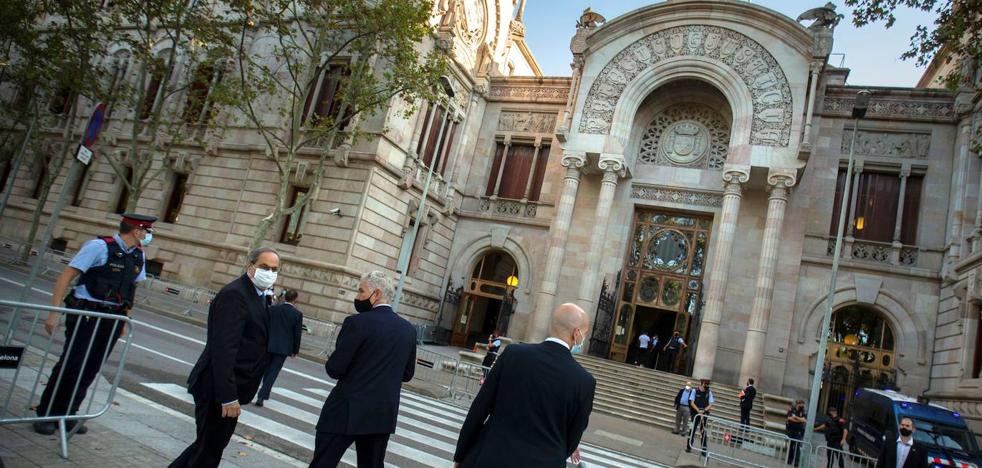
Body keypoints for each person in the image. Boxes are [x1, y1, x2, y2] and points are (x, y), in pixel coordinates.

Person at [34, 213, 156, 436]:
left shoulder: (138, 255)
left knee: (91, 367)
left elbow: (130, 290)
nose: (148, 236)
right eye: (147, 232)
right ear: (137, 231)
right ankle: (48, 413)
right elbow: (65, 278)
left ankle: (70, 412)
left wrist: (124, 320)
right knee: (72, 364)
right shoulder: (99, 246)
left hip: (112, 318)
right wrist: (54, 312)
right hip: (87, 313)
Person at [169, 247, 280, 468]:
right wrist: (228, 396)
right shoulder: (235, 294)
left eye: (274, 269)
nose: (270, 273)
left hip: (234, 387)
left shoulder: (261, 296)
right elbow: (223, 349)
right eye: (264, 267)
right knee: (208, 451)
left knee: (207, 446)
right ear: (250, 267)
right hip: (217, 389)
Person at [453, 303, 596, 467]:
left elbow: (480, 408)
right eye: (584, 334)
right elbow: (572, 439)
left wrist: (461, 455)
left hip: (492, 456)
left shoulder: (513, 353)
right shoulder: (585, 382)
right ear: (576, 333)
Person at [310, 271, 416, 468]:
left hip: (346, 409)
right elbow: (408, 374)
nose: (357, 296)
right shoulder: (408, 329)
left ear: (376, 294)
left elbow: (335, 368)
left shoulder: (357, 323)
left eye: (361, 290)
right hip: (381, 413)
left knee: (323, 462)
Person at [254, 289, 303, 407]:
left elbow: (265, 325)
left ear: (285, 297)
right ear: (295, 299)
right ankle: (262, 394)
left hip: (269, 343)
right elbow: (297, 334)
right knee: (274, 371)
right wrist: (295, 350)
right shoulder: (297, 314)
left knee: (267, 369)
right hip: (284, 347)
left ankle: (264, 392)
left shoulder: (273, 309)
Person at [686, 379, 714, 454]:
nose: (707, 386)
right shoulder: (695, 390)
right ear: (702, 383)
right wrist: (698, 410)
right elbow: (692, 402)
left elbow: (711, 404)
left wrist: (704, 410)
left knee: (703, 431)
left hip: (704, 414)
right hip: (695, 414)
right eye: (706, 384)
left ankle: (704, 449)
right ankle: (689, 446)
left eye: (708, 384)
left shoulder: (709, 392)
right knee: (692, 430)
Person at [786, 399, 807, 467]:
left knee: (797, 446)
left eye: (803, 404)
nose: (802, 406)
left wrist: (795, 417)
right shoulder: (791, 409)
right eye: (801, 404)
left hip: (798, 431)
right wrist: (799, 420)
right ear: (797, 404)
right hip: (791, 430)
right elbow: (789, 418)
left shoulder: (803, 411)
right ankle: (790, 460)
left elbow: (804, 420)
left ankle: (796, 462)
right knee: (790, 446)